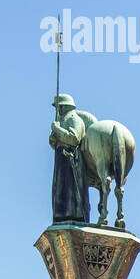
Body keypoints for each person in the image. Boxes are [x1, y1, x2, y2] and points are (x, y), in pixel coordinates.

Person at [49, 94, 93, 223]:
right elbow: (53, 142)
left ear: (64, 106)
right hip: (61, 158)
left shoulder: (74, 119)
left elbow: (74, 139)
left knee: (70, 189)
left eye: (59, 107)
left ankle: (73, 214)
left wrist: (58, 130)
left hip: (71, 158)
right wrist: (54, 136)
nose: (58, 110)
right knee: (61, 188)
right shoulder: (62, 120)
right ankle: (61, 213)